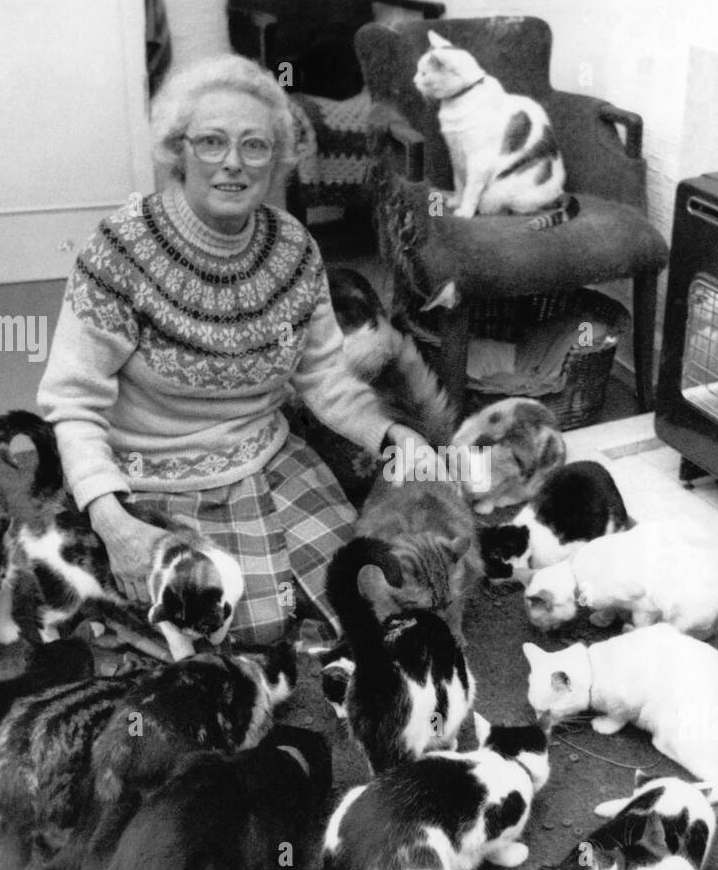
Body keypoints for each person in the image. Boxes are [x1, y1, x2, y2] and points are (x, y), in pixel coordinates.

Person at [38, 55, 430, 646]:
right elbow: (73, 404)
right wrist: (112, 522)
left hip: (266, 457)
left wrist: (391, 434)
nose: (233, 163)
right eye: (212, 142)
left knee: (367, 593)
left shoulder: (294, 248)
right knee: (248, 628)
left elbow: (324, 375)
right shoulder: (120, 249)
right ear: (178, 150)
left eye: (255, 146)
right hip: (153, 474)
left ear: (278, 159)